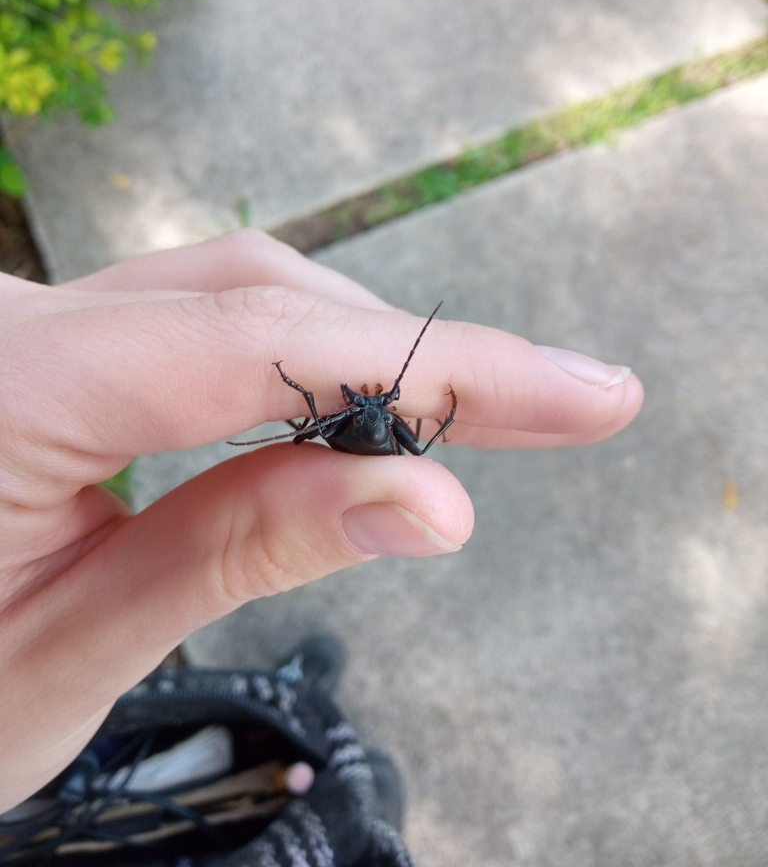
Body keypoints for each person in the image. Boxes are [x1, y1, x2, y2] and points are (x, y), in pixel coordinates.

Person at [0, 228, 643, 814]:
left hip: (350, 448)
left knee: (333, 434)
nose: (370, 400)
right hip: (359, 450)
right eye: (372, 400)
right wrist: (413, 416)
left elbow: (314, 421)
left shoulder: (352, 418)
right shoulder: (380, 422)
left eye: (376, 400)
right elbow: (350, 428)